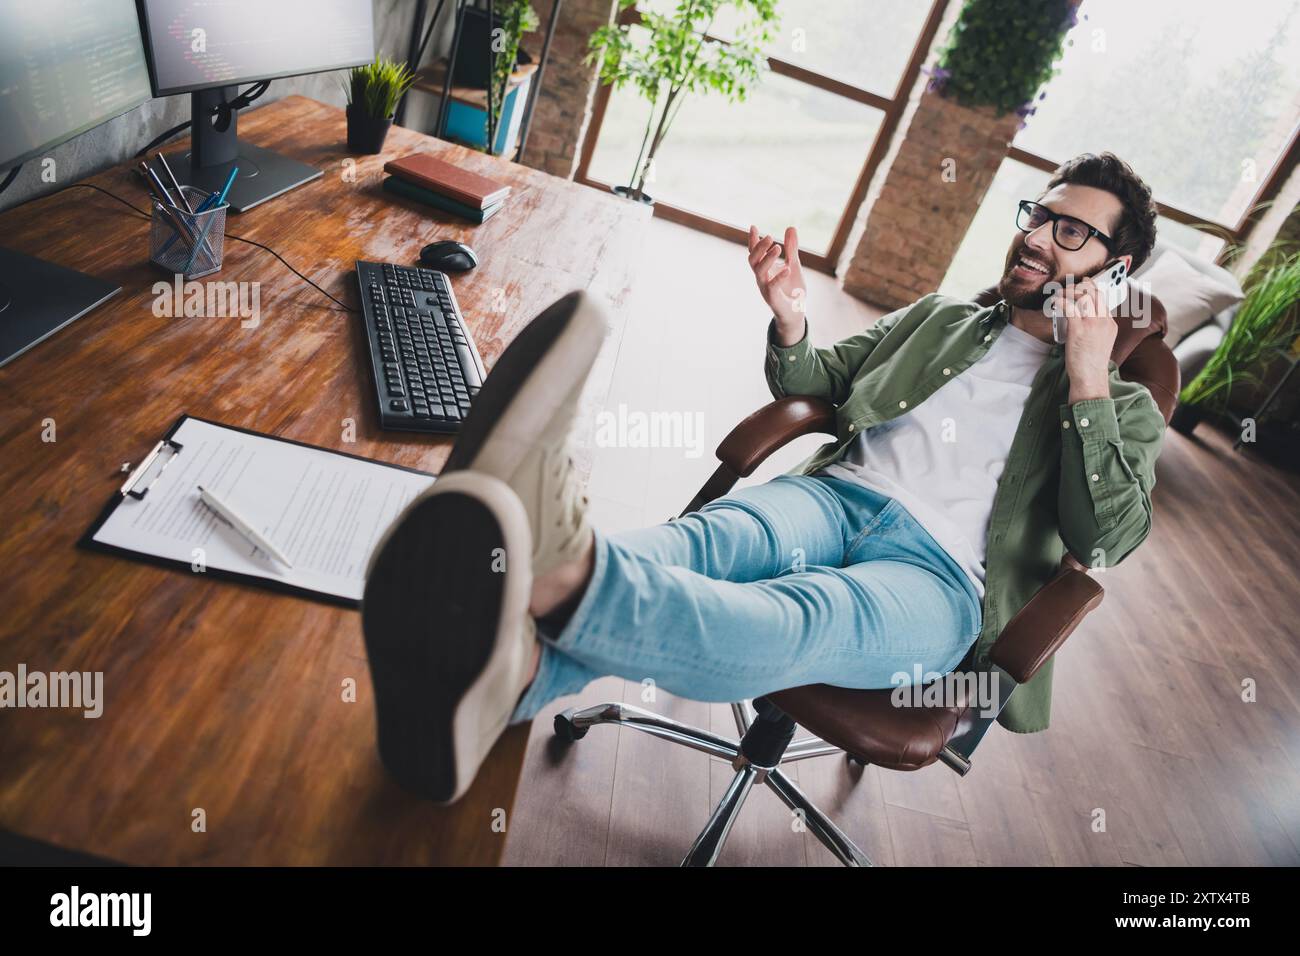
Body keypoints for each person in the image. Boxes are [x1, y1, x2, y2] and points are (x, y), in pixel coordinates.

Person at [361, 151, 1167, 804]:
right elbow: (816, 378)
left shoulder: (1123, 405)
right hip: (833, 498)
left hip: (941, 579)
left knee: (796, 621)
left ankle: (562, 569)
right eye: (1039, 215)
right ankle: (503, 692)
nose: (1036, 237)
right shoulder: (940, 318)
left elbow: (1106, 538)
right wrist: (790, 315)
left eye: (1070, 232)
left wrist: (1088, 376)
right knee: (698, 547)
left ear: (1115, 269)